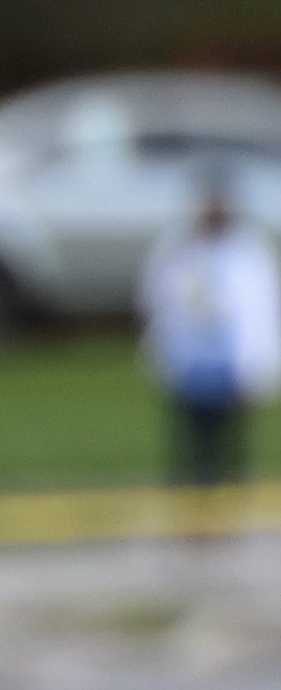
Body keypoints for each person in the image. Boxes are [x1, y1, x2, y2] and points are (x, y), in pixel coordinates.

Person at [143, 176, 281, 488]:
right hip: (189, 363)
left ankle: (228, 483)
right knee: (190, 436)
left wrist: (260, 367)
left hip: (230, 365)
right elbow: (157, 301)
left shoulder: (249, 253)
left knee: (230, 440)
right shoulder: (178, 248)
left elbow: (259, 313)